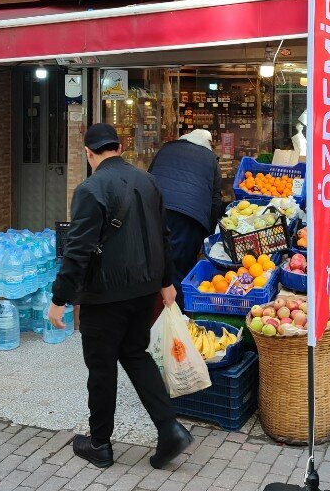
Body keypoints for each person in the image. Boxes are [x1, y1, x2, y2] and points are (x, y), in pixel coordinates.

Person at [48, 123, 192, 470]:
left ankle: (100, 444)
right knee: (135, 354)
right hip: (144, 291)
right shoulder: (148, 181)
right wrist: (166, 281)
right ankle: (169, 428)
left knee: (101, 368)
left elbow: (77, 249)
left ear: (88, 153)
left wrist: (59, 298)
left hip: (104, 296)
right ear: (120, 146)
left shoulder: (91, 188)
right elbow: (164, 235)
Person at [149, 129, 222, 304]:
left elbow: (149, 177)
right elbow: (216, 200)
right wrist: (210, 234)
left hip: (155, 210)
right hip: (190, 218)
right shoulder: (210, 158)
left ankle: (152, 315)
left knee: (154, 260)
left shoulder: (166, 149)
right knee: (180, 268)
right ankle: (178, 317)